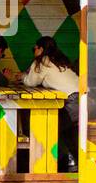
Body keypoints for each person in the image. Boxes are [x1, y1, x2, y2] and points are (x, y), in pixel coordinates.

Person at [23, 36, 79, 172]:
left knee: (50, 129)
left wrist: (22, 77)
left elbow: (30, 82)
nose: (34, 52)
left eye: (34, 49)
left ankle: (57, 165)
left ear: (40, 49)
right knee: (68, 131)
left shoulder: (42, 61)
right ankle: (73, 163)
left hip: (72, 102)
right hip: (85, 99)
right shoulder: (60, 60)